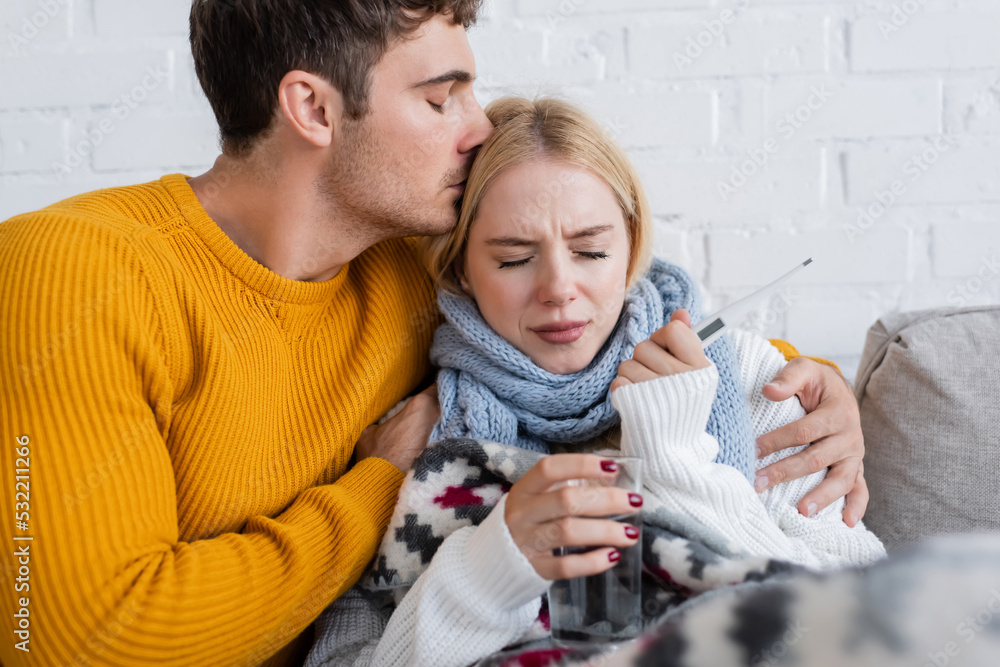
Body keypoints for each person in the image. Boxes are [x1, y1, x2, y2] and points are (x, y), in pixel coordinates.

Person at [0, 2, 866, 665]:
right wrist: (377, 484)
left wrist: (807, 383)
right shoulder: (71, 269)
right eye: (441, 95)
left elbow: (602, 326)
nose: (479, 127)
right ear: (312, 106)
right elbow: (75, 639)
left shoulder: (419, 268)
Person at [305, 96, 885, 667]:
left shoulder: (764, 388)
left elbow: (869, 623)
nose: (558, 288)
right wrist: (490, 566)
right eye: (512, 259)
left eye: (590, 250)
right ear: (460, 267)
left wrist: (678, 461)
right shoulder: (416, 442)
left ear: (631, 243)